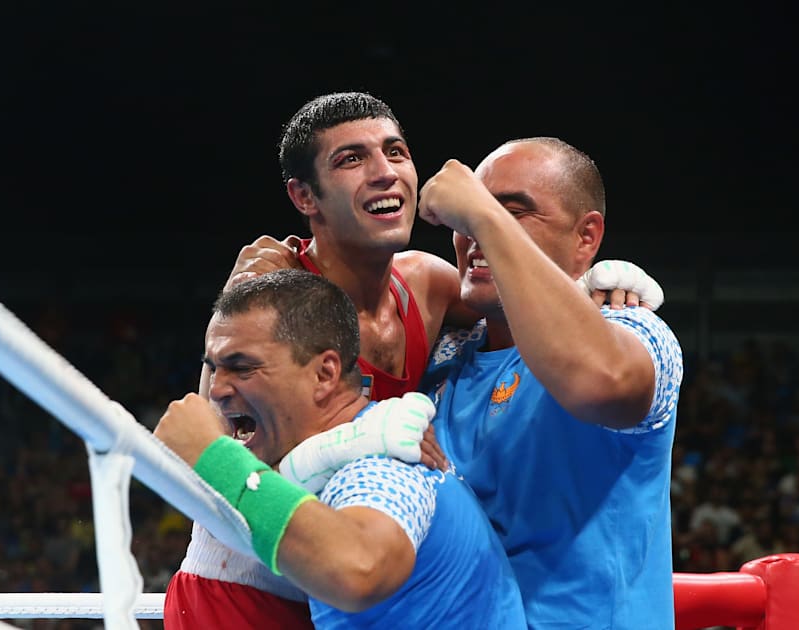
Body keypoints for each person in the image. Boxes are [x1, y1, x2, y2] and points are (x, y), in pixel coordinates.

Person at [170, 92, 661, 628]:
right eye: (351, 159)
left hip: (373, 584)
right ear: (304, 196)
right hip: (258, 582)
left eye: (396, 151)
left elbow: (514, 293)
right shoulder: (276, 302)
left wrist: (593, 283)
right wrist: (374, 434)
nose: (384, 173)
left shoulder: (425, 284)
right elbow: (211, 466)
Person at [153, 269, 526, 628]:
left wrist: (215, 458)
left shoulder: (382, 468)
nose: (216, 389)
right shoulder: (356, 444)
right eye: (214, 369)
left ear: (325, 374)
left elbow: (359, 570)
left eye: (242, 368)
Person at [416, 137, 684, 627]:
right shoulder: (437, 357)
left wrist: (482, 214)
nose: (475, 231)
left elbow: (600, 381)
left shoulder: (637, 331)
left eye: (512, 211)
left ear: (586, 238)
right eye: (470, 215)